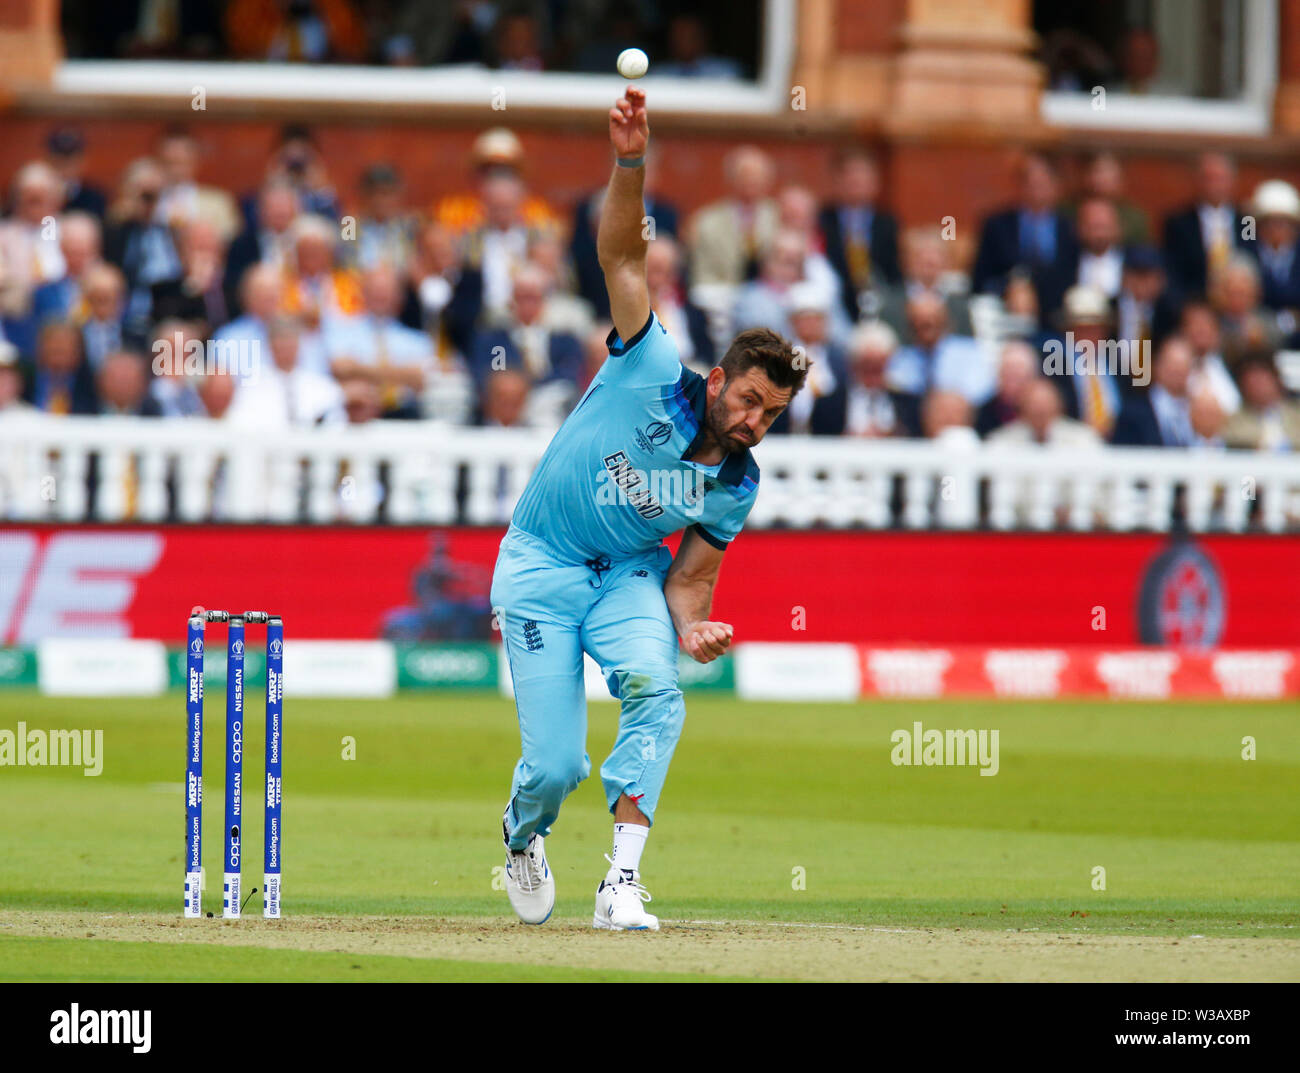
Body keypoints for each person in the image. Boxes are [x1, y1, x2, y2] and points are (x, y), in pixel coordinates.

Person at [492, 88, 806, 931]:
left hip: (627, 578)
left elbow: (689, 582)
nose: (753, 421)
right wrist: (630, 164)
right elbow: (622, 260)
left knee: (658, 690)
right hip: (539, 563)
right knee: (555, 763)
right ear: (716, 379)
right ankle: (522, 834)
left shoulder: (737, 483)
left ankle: (620, 882)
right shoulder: (650, 366)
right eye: (747, 400)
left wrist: (695, 624)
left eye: (770, 414)